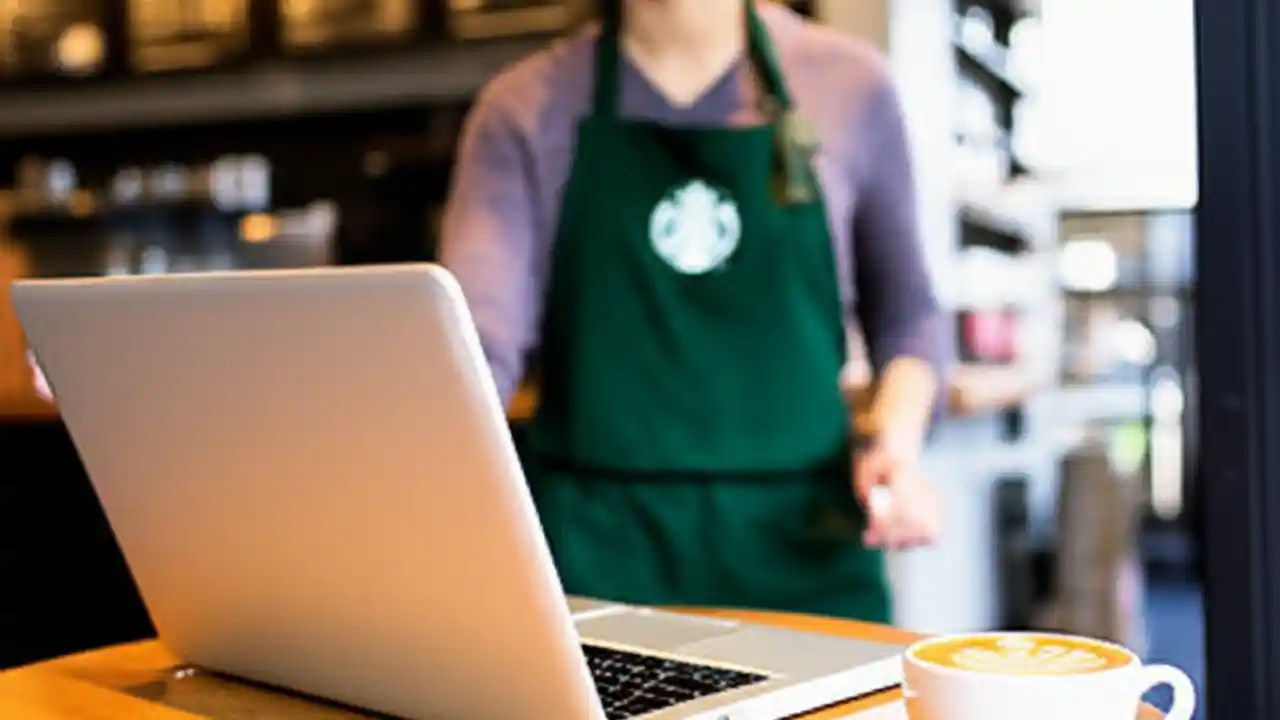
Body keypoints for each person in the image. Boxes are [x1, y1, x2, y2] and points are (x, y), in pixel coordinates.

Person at [454, 0, 944, 622]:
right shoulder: (521, 108)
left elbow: (909, 317)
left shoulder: (850, 85)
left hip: (807, 552)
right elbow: (475, 347)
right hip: (592, 559)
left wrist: (895, 448)